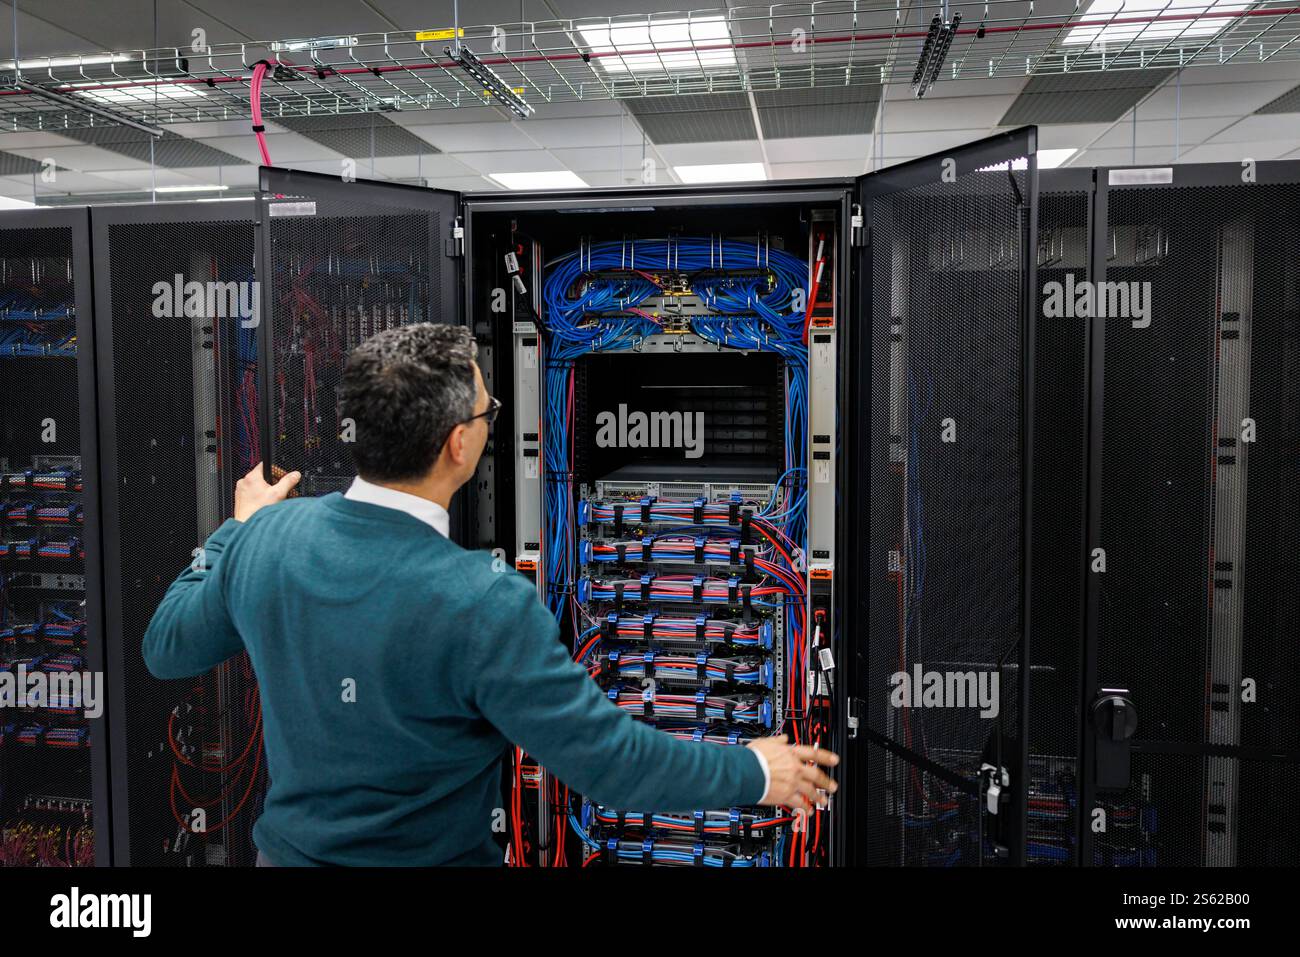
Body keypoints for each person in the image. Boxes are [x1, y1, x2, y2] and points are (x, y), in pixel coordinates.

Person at [142, 322, 837, 866]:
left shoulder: (270, 538)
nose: (490, 419)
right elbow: (610, 763)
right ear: (457, 445)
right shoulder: (481, 600)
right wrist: (750, 769)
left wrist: (237, 527)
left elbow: (166, 645)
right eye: (487, 410)